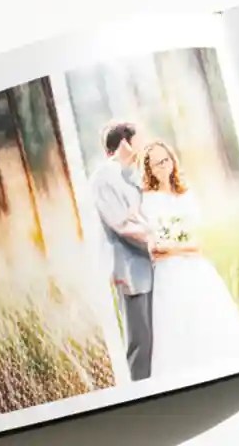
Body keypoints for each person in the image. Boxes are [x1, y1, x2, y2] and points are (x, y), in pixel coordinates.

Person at [138, 141, 239, 376]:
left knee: (209, 314)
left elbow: (199, 242)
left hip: (195, 268)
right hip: (168, 273)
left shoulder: (186, 195)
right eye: (157, 164)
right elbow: (153, 248)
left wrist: (177, 248)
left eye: (166, 160)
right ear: (149, 170)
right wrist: (179, 249)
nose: (164, 166)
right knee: (176, 324)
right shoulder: (148, 201)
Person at [91, 122, 154, 381]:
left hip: (146, 267)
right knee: (141, 342)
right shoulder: (105, 176)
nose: (140, 146)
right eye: (136, 140)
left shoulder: (126, 174)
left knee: (152, 339)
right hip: (131, 271)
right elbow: (121, 223)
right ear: (124, 142)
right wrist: (155, 240)